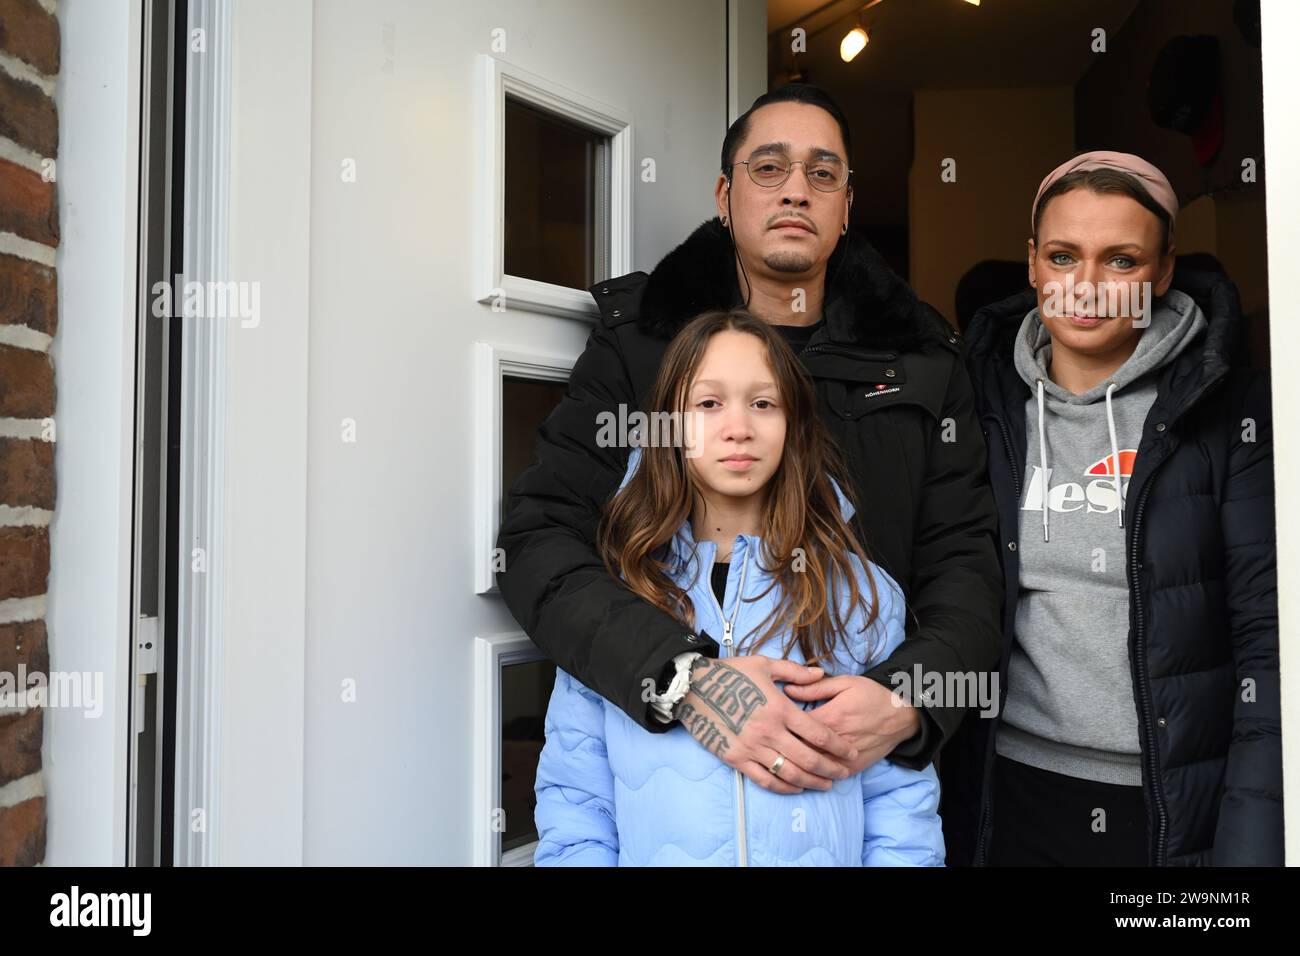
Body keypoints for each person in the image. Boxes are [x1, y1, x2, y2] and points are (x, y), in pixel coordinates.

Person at [496, 84, 1002, 797]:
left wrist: (910, 697)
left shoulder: (922, 361)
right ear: (725, 197)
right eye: (770, 169)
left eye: (823, 173)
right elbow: (537, 539)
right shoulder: (640, 348)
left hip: (856, 780)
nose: (797, 190)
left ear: (847, 206)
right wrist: (682, 678)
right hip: (667, 782)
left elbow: (966, 564)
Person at [946, 151, 1281, 866]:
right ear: (1032, 264)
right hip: (1007, 791)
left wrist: (1248, 852)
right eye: (1063, 256)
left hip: (1167, 801)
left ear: (1163, 272)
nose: (1087, 287)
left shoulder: (1234, 412)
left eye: (1121, 260)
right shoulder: (978, 404)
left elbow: (1268, 649)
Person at [533, 310, 944, 866]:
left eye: (763, 403)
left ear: (793, 425)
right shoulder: (619, 600)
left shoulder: (859, 595)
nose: (738, 427)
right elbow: (577, 808)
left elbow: (900, 810)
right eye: (708, 403)